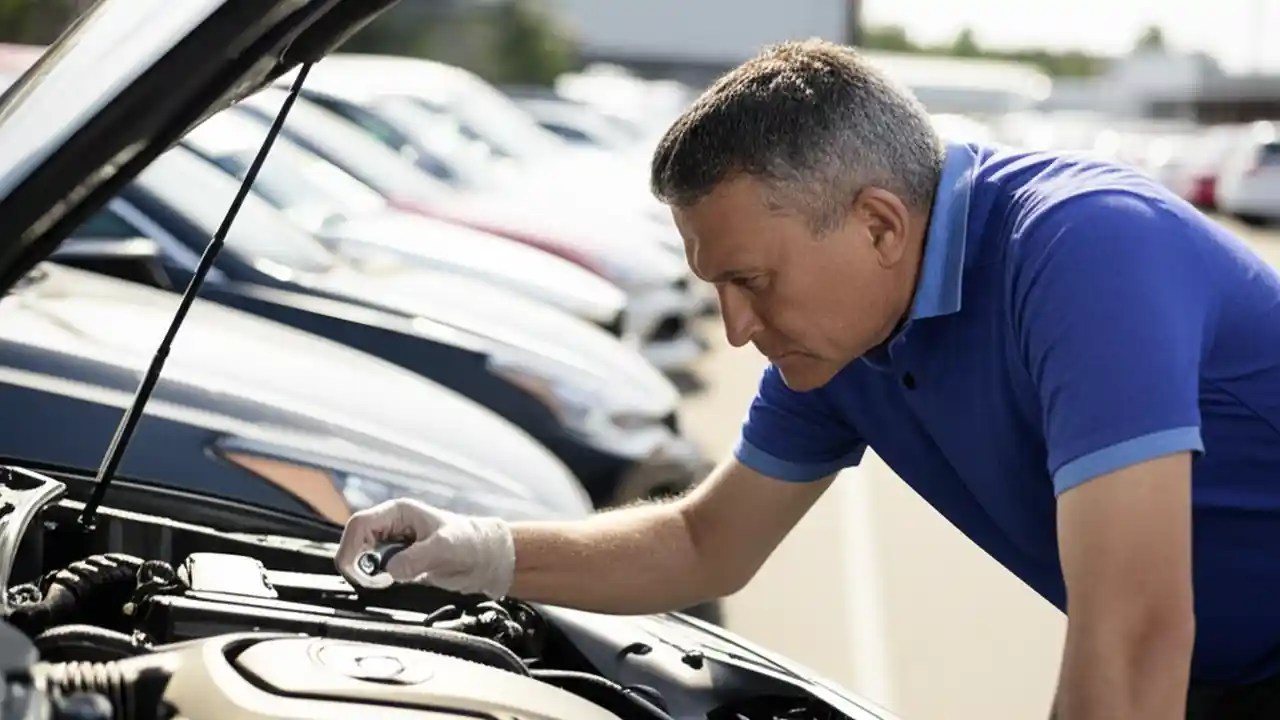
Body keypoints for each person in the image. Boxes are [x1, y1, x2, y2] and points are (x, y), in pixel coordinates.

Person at [335, 39, 1280, 719]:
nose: (738, 331)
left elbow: (1134, 639)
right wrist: (479, 551)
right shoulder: (841, 334)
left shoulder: (1085, 251)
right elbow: (706, 540)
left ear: (878, 224)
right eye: (717, 290)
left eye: (750, 282)